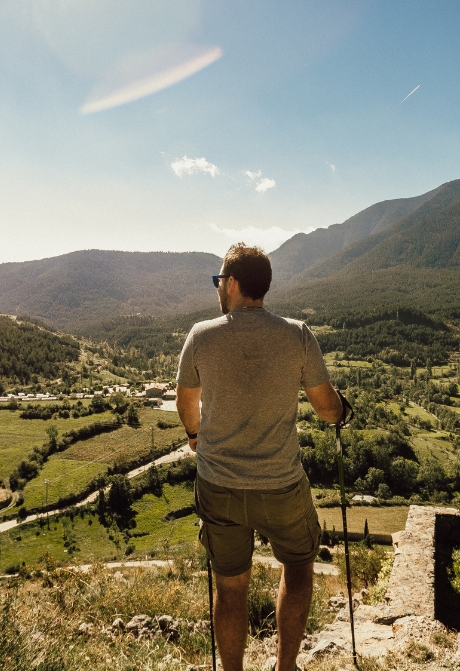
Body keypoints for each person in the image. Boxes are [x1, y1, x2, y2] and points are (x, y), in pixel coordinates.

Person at [176, 243, 345, 671]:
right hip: (280, 485)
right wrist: (343, 410)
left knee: (230, 587)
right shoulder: (298, 335)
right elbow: (327, 409)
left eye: (219, 280)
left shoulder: (201, 336)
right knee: (299, 568)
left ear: (232, 283)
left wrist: (195, 436)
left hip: (219, 486)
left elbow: (186, 401)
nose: (218, 288)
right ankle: (285, 666)